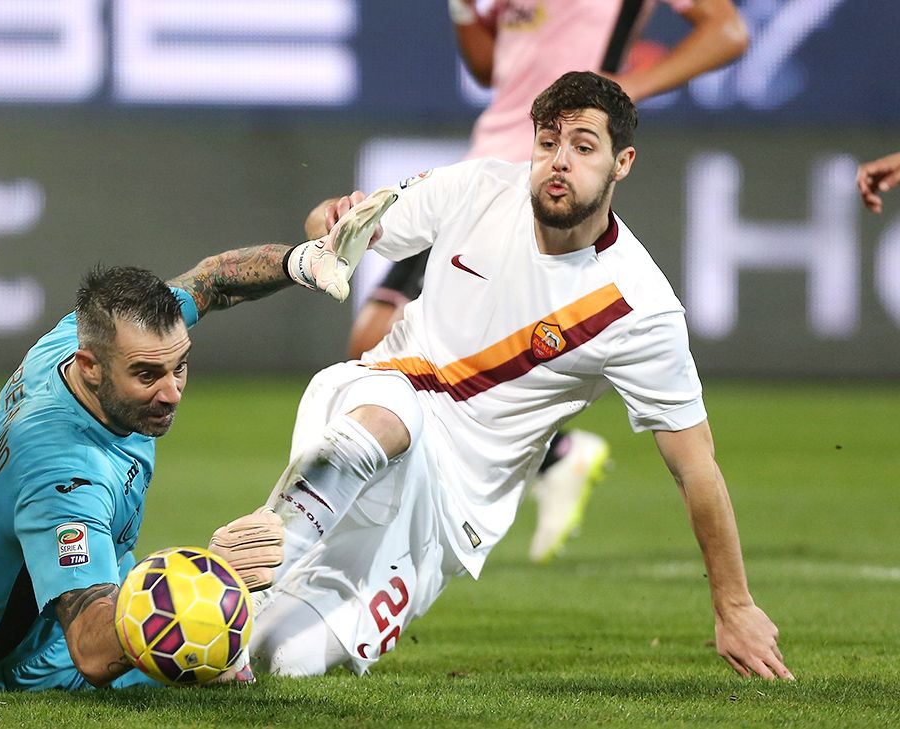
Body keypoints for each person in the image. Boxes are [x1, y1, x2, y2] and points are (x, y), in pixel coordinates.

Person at [251, 71, 794, 683]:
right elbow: (331, 226)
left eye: (583, 147)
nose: (559, 161)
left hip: (451, 510)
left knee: (282, 658)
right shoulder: (476, 188)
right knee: (386, 415)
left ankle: (243, 615)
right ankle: (242, 574)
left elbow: (694, 464)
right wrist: (334, 220)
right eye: (548, 142)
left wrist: (734, 605)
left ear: (622, 163)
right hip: (378, 399)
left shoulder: (640, 308)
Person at [340, 0, 751, 563]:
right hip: (492, 170)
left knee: (382, 341)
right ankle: (545, 460)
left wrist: (629, 88)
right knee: (378, 345)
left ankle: (480, 492)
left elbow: (728, 31)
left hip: (541, 181)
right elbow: (492, 70)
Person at [0, 195, 394, 691]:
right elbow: (92, 649)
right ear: (91, 367)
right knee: (222, 658)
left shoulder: (82, 338)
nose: (172, 392)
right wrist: (211, 577)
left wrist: (306, 260)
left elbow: (214, 279)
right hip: (3, 651)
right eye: (147, 375)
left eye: (179, 366)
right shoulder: (66, 478)